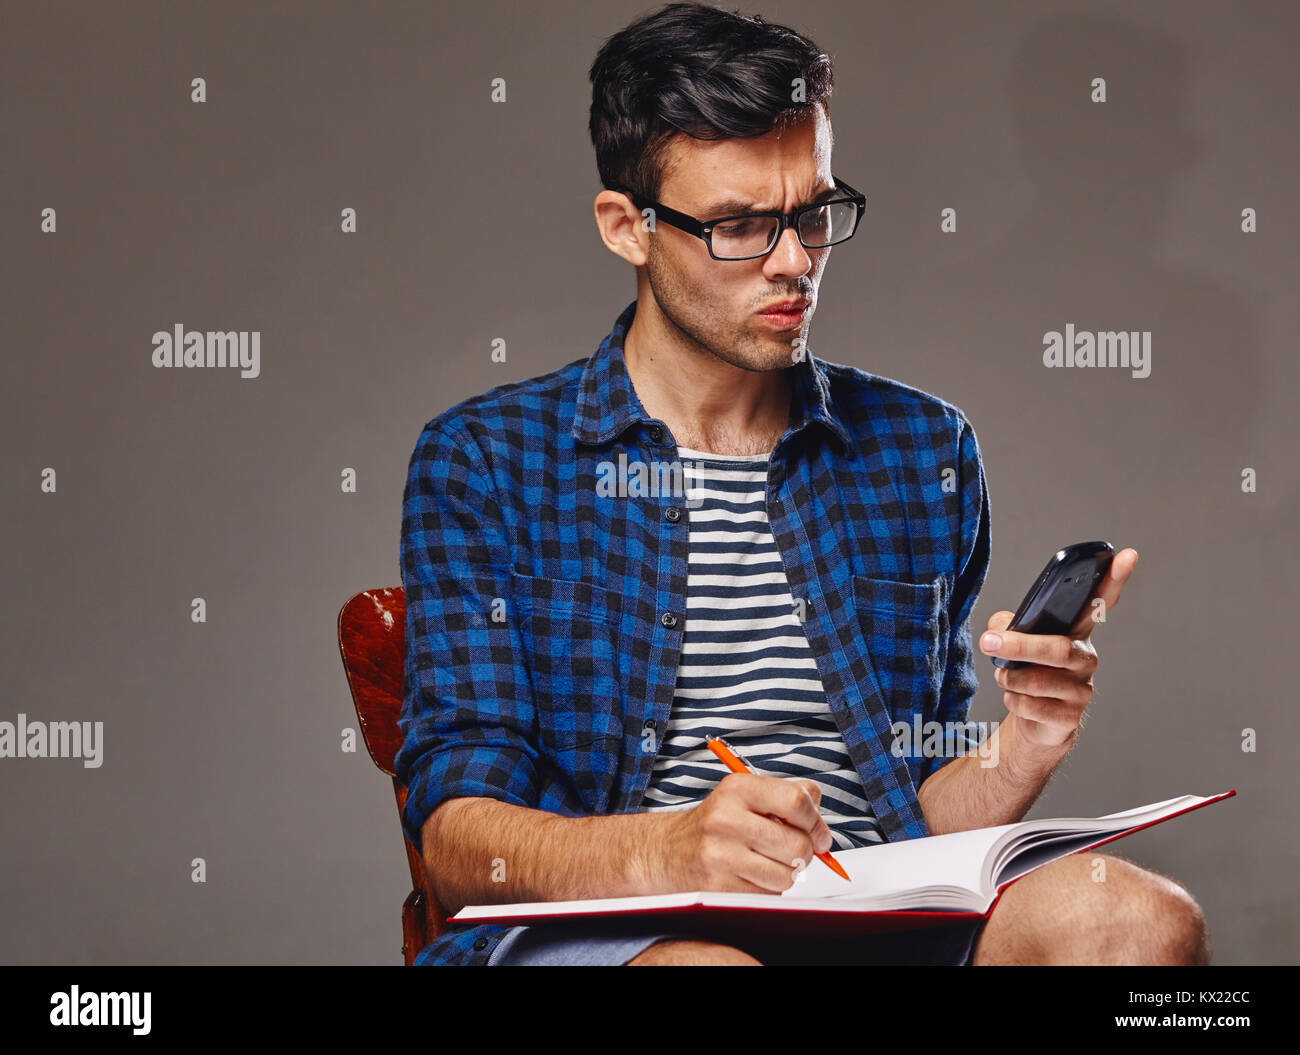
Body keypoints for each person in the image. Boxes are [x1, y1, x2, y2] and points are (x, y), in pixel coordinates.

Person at [395, 1, 1206, 966]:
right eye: (739, 226)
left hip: (870, 918)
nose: (794, 264)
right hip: (623, 936)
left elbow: (916, 822)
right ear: (627, 227)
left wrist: (1022, 740)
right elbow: (454, 843)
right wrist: (670, 844)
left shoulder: (922, 448)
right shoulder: (487, 460)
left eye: (812, 213)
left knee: (1142, 922)